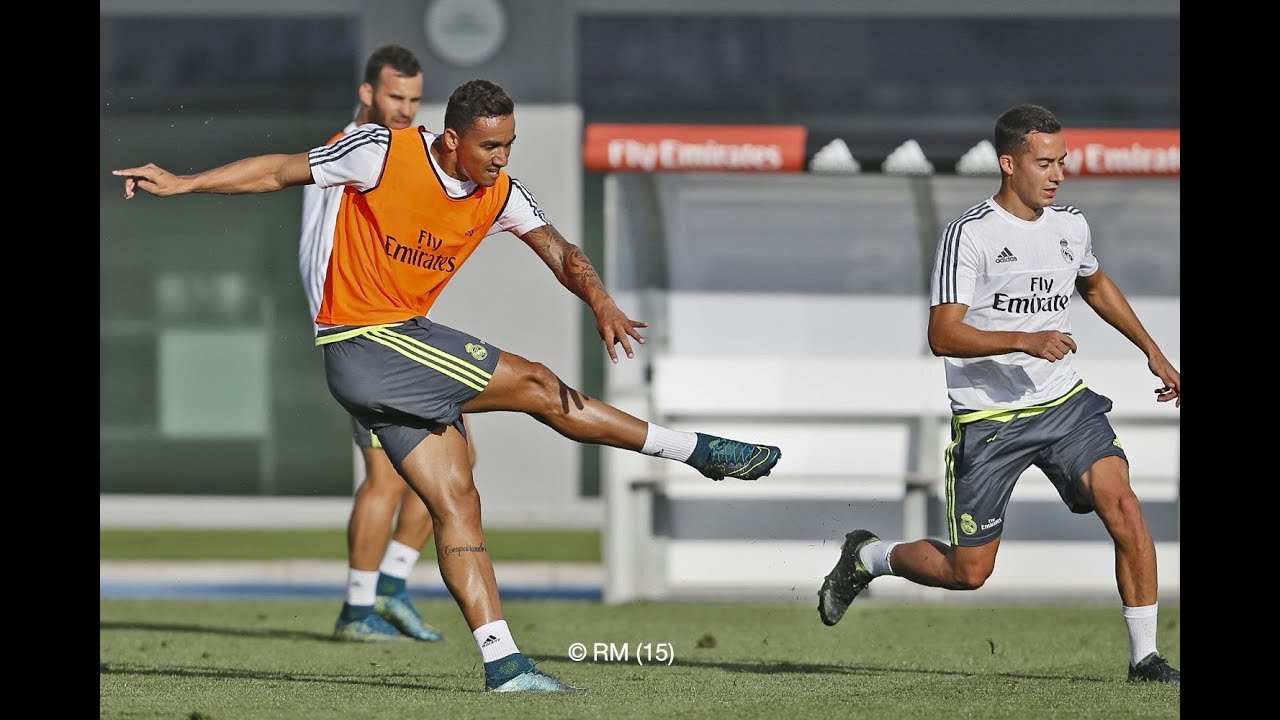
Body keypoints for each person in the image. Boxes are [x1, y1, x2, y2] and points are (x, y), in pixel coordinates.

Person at [114, 78, 782, 693]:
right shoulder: (381, 153)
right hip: (368, 340)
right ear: (453, 138)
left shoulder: (499, 190)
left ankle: (504, 663)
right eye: (491, 145)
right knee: (540, 385)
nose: (502, 157)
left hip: (390, 355)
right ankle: (692, 451)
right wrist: (183, 184)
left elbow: (562, 252)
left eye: (510, 144)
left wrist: (600, 300)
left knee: (457, 501)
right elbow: (278, 171)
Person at [815, 103, 1180, 685]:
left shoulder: (1071, 225)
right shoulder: (971, 235)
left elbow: (1094, 281)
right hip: (991, 418)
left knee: (1124, 507)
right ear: (1009, 165)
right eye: (1044, 163)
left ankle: (1145, 659)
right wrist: (1024, 340)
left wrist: (1154, 351)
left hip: (1063, 405)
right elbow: (942, 334)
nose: (1057, 174)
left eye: (1063, 161)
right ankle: (869, 557)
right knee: (968, 573)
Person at [299, 45, 468, 643]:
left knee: (453, 462)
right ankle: (360, 606)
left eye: (415, 100)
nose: (405, 109)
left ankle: (388, 588)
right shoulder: (353, 152)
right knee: (388, 474)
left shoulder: (393, 155)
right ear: (369, 93)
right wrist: (346, 329)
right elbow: (321, 256)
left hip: (389, 334)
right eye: (395, 97)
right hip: (361, 337)